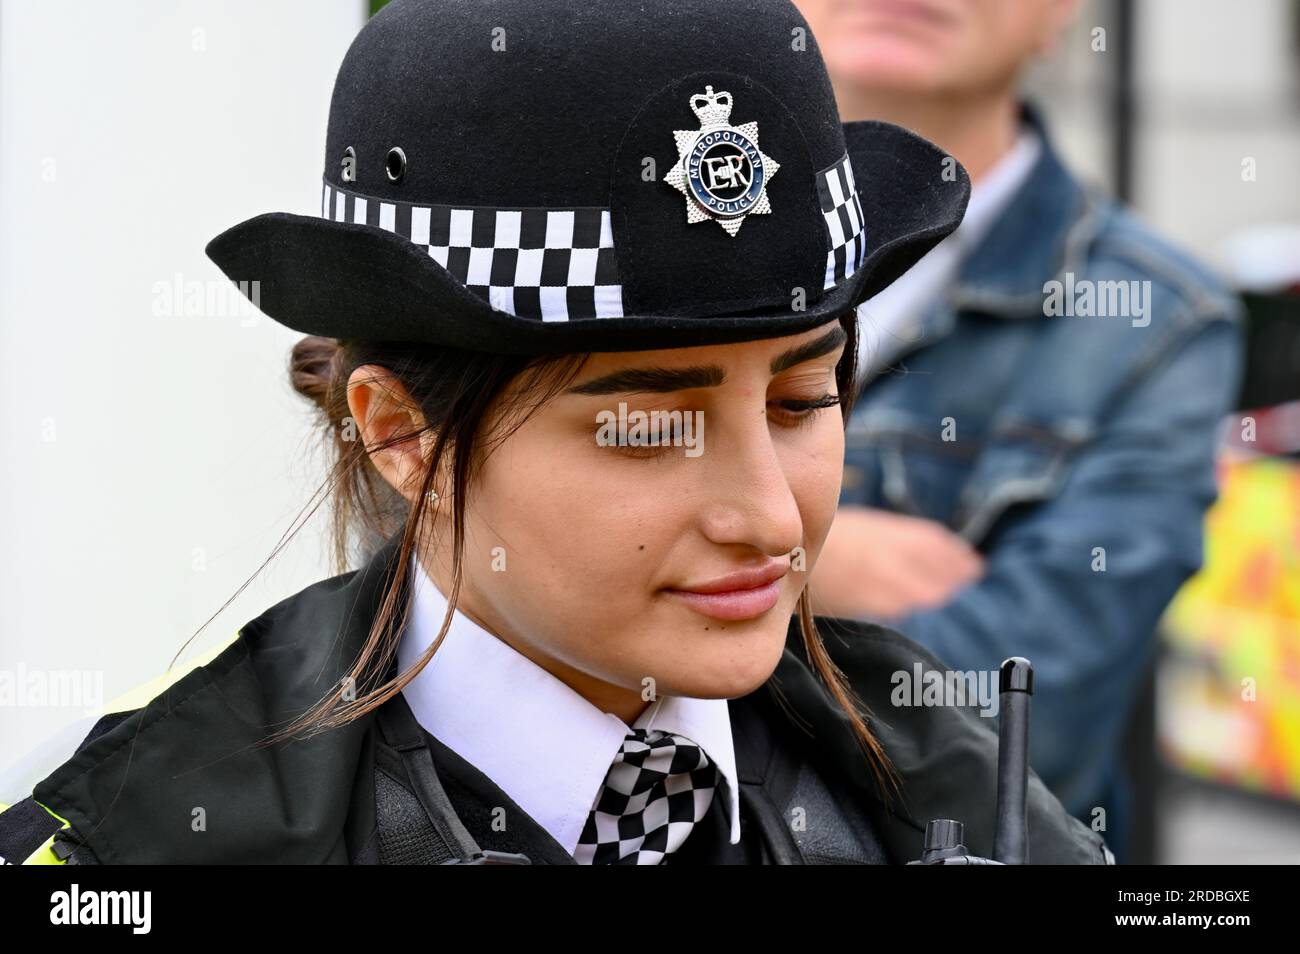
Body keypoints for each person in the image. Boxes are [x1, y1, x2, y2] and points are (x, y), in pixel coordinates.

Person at [0, 0, 1111, 865]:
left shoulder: (951, 792)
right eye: (646, 427)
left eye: (801, 399)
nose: (772, 517)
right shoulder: (133, 844)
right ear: (402, 436)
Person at [794, 0, 1245, 862]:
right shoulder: (642, 235)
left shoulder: (1156, 318)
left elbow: (1020, 725)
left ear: (1062, 15)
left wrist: (696, 588)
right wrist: (816, 559)